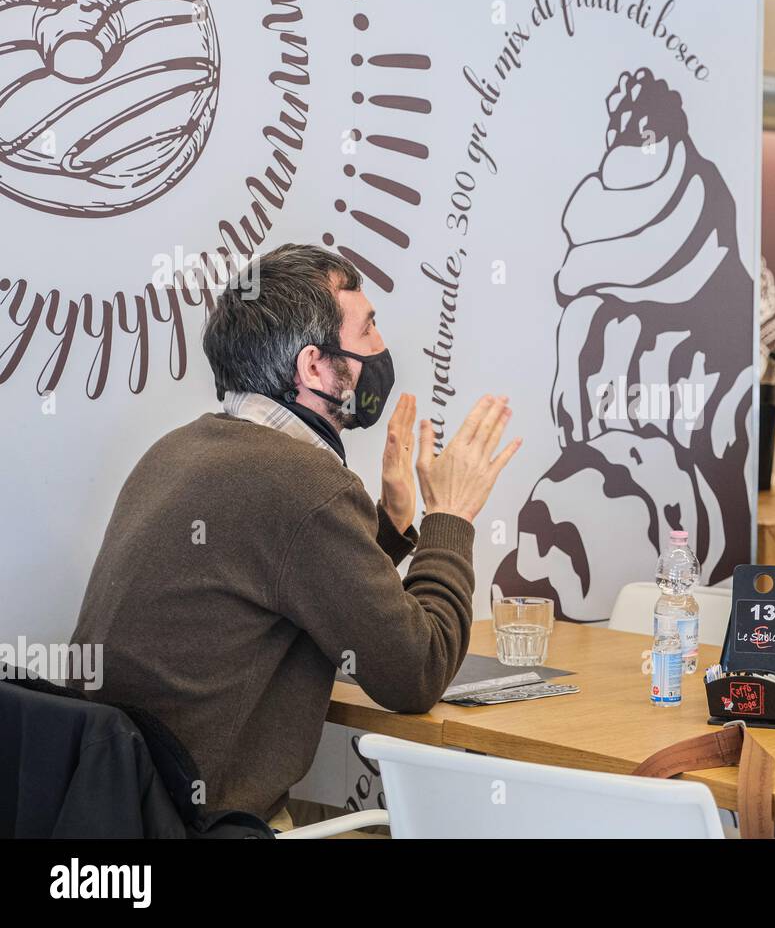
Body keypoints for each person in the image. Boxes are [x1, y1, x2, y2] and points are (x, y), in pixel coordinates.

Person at [69, 244, 521, 827]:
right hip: (204, 823)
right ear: (313, 367)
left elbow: (294, 593)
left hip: (118, 812)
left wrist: (392, 527)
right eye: (369, 328)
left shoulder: (177, 450)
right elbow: (417, 671)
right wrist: (450, 517)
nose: (382, 350)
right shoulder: (302, 482)